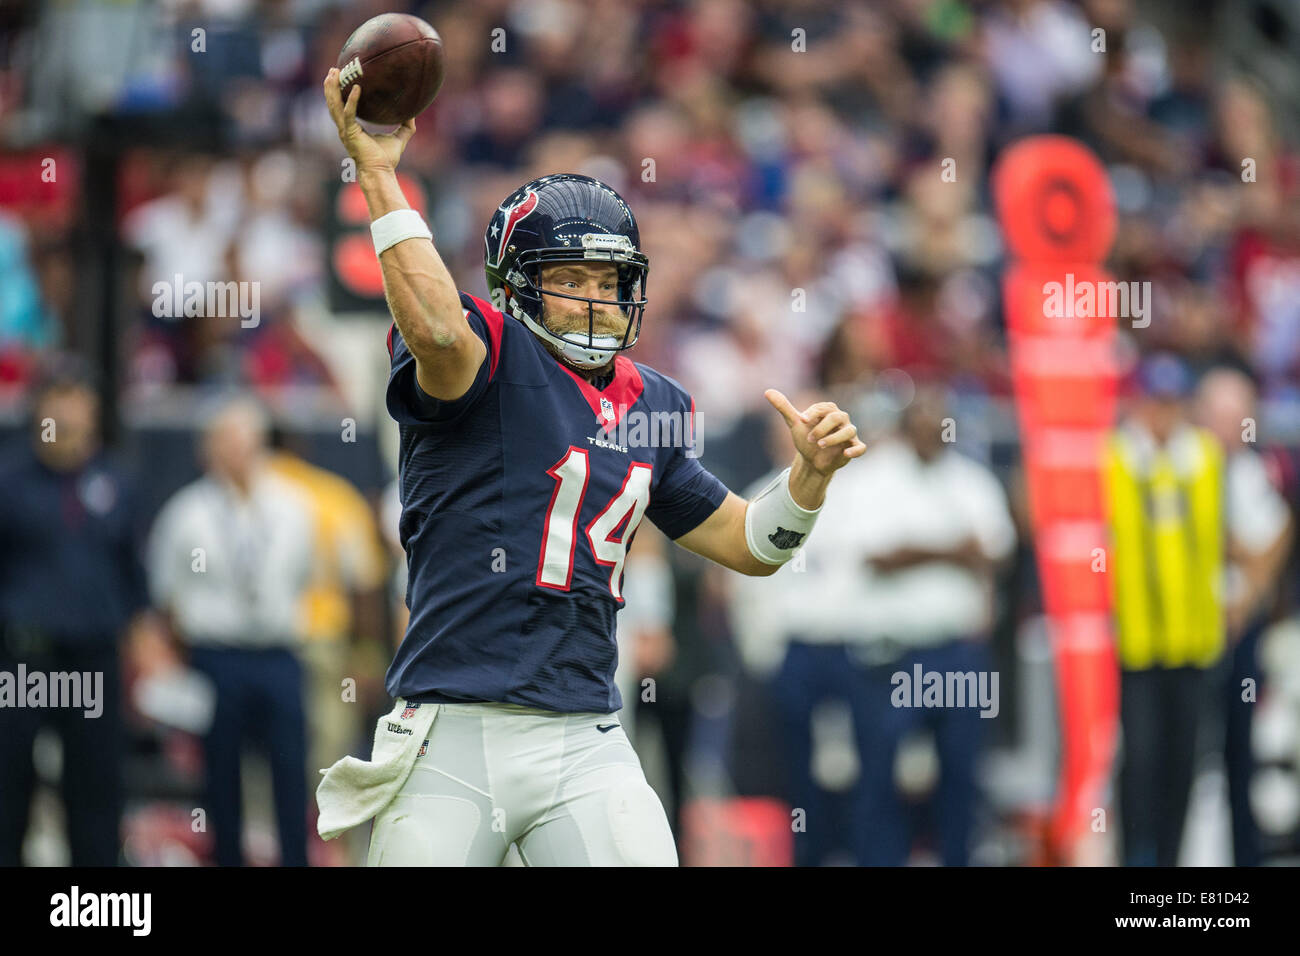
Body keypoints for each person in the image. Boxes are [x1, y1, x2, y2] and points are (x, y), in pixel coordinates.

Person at [316, 69, 867, 867]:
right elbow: (435, 332)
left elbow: (751, 545)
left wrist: (806, 483)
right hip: (451, 729)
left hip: (584, 736)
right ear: (515, 290)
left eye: (609, 283)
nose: (594, 302)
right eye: (569, 280)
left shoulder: (654, 401)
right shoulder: (486, 348)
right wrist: (376, 171)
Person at [147, 397, 315, 866]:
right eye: (229, 441)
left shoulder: (291, 506)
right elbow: (167, 598)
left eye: (248, 441)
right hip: (216, 657)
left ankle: (296, 858)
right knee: (220, 775)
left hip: (279, 654)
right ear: (209, 448)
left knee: (290, 772)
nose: (240, 452)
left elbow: (301, 576)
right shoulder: (186, 513)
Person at [0, 357, 155, 865]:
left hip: (92, 656)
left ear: (92, 412)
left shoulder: (116, 483)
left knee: (94, 786)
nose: (67, 413)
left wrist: (145, 644)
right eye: (57, 399)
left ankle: (94, 908)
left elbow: (133, 574)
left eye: (78, 399)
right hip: (22, 658)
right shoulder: (9, 480)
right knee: (9, 782)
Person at [1103, 353, 1226, 867]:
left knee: (1183, 765)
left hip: (1192, 640)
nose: (1163, 414)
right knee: (1140, 763)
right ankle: (1134, 861)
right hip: (1133, 640)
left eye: (1173, 403)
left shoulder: (1202, 456)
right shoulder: (1113, 458)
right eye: (1156, 402)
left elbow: (1223, 533)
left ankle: (1172, 869)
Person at [1194, 365, 1293, 866]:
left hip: (1238, 631)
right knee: (1184, 756)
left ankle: (1242, 860)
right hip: (1184, 634)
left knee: (1240, 753)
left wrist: (1242, 596)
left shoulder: (1254, 473)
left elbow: (1269, 550)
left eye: (1240, 417)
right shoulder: (1185, 468)